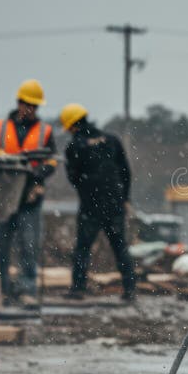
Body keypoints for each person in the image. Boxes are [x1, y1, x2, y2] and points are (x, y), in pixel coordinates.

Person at [0, 79, 56, 307]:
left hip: (29, 199)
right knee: (1, 246)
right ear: (19, 103)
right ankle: (2, 290)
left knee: (29, 246)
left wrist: (39, 176)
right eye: (28, 105)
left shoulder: (45, 131)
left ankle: (27, 290)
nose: (31, 110)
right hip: (4, 197)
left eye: (35, 106)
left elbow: (52, 160)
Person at [59, 104, 137, 302]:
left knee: (83, 248)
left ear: (72, 126)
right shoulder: (112, 141)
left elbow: (73, 177)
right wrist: (125, 198)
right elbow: (126, 173)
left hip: (90, 206)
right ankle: (130, 290)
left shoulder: (74, 147)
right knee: (120, 247)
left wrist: (89, 190)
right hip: (114, 204)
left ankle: (78, 289)